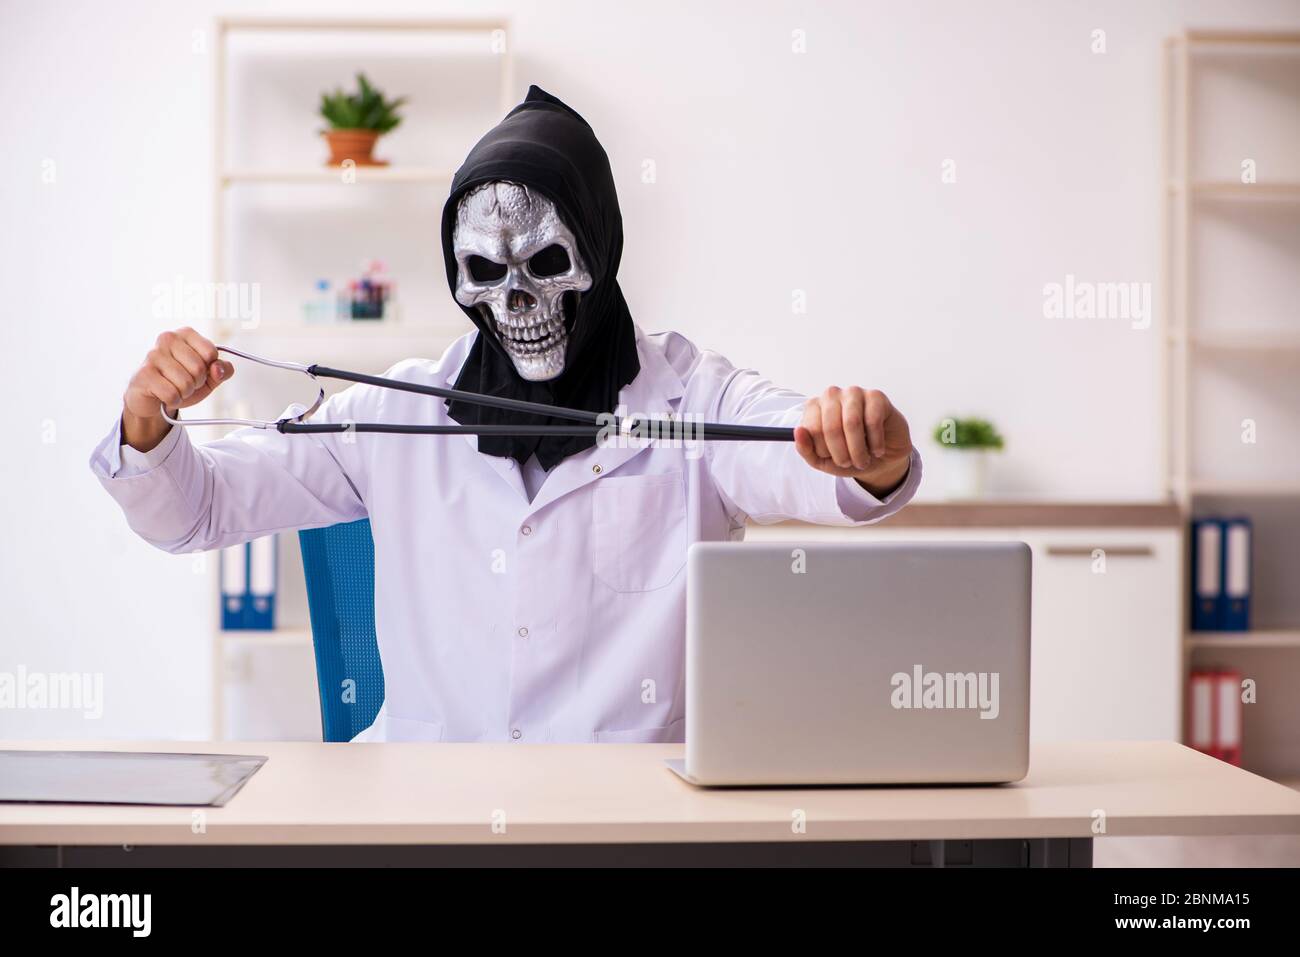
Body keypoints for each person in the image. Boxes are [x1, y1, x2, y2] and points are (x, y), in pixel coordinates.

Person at [90, 87, 921, 743]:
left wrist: (864, 448)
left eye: (547, 263)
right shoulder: (393, 411)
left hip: (622, 830)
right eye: (484, 271)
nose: (516, 299)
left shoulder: (693, 397)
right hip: (428, 820)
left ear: (598, 249)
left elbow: (800, 455)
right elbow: (194, 513)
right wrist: (148, 424)